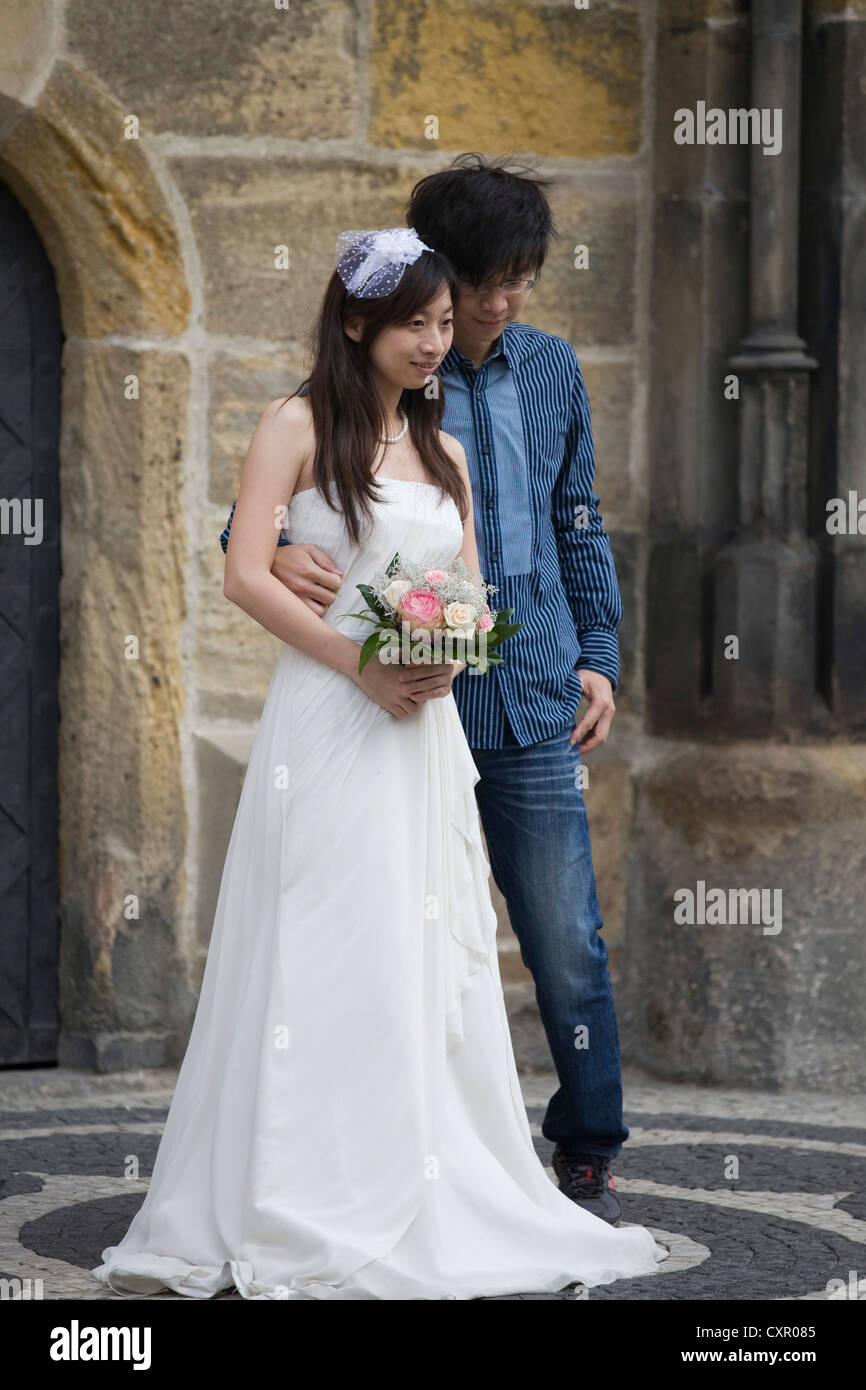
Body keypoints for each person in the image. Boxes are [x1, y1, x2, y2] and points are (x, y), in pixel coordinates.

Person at [93, 227, 668, 1300]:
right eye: (417, 322)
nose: (435, 341)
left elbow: (475, 587)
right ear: (355, 321)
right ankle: (292, 1186)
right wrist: (361, 661)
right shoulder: (295, 424)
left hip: (422, 734)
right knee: (320, 940)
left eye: (444, 323)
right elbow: (241, 571)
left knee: (425, 951)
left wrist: (450, 636)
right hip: (327, 720)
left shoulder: (439, 443)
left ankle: (430, 1171)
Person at [220, 156, 631, 1225]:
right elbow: (280, 507)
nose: (496, 304)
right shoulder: (393, 373)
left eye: (517, 279)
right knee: (401, 939)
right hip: (393, 709)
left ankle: (586, 1150)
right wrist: (263, 546)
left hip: (530, 693)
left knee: (565, 942)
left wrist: (599, 652)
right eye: (480, 281)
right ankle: (379, 1158)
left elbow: (578, 515)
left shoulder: (550, 370)